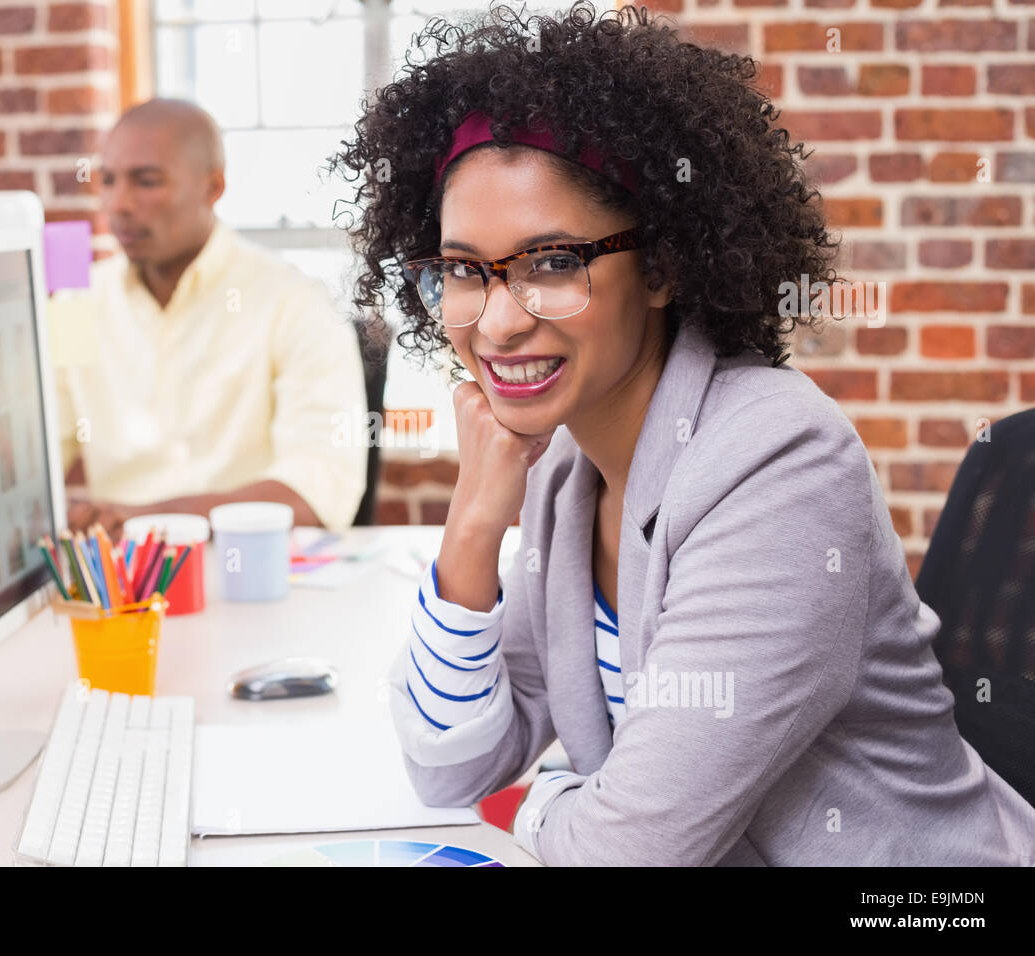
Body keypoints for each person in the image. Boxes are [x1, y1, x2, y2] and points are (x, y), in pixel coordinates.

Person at [331, 3, 1035, 865]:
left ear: (662, 267)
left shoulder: (779, 462)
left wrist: (536, 799)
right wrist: (476, 523)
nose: (498, 321)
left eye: (553, 263)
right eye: (463, 271)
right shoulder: (565, 472)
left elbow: (628, 851)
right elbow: (455, 769)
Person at [56, 98, 368, 537]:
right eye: (107, 181)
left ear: (213, 187)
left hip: (253, 576)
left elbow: (319, 491)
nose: (119, 204)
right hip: (120, 583)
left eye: (146, 182)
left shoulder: (295, 302)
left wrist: (152, 519)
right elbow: (32, 459)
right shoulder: (73, 305)